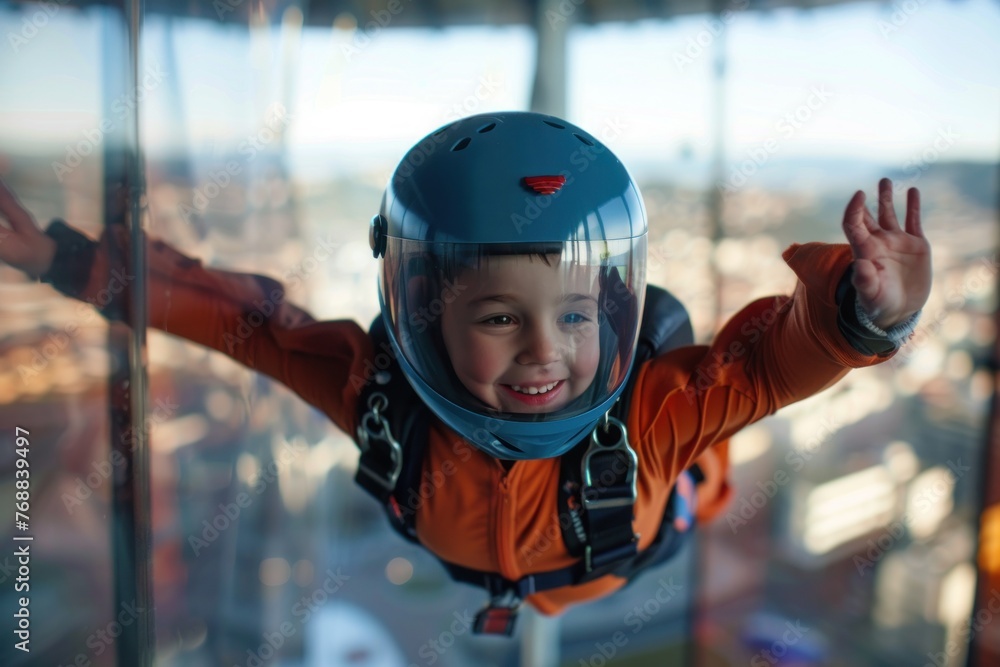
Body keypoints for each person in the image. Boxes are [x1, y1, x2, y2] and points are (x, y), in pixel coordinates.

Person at [0, 111, 931, 635]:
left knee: (701, 461)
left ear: (610, 311)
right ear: (424, 315)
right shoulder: (379, 395)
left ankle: (700, 481)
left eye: (576, 315)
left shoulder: (649, 417)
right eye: (497, 316)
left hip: (648, 535)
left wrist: (861, 313)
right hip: (571, 565)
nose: (544, 351)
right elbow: (239, 319)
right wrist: (65, 262)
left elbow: (773, 365)